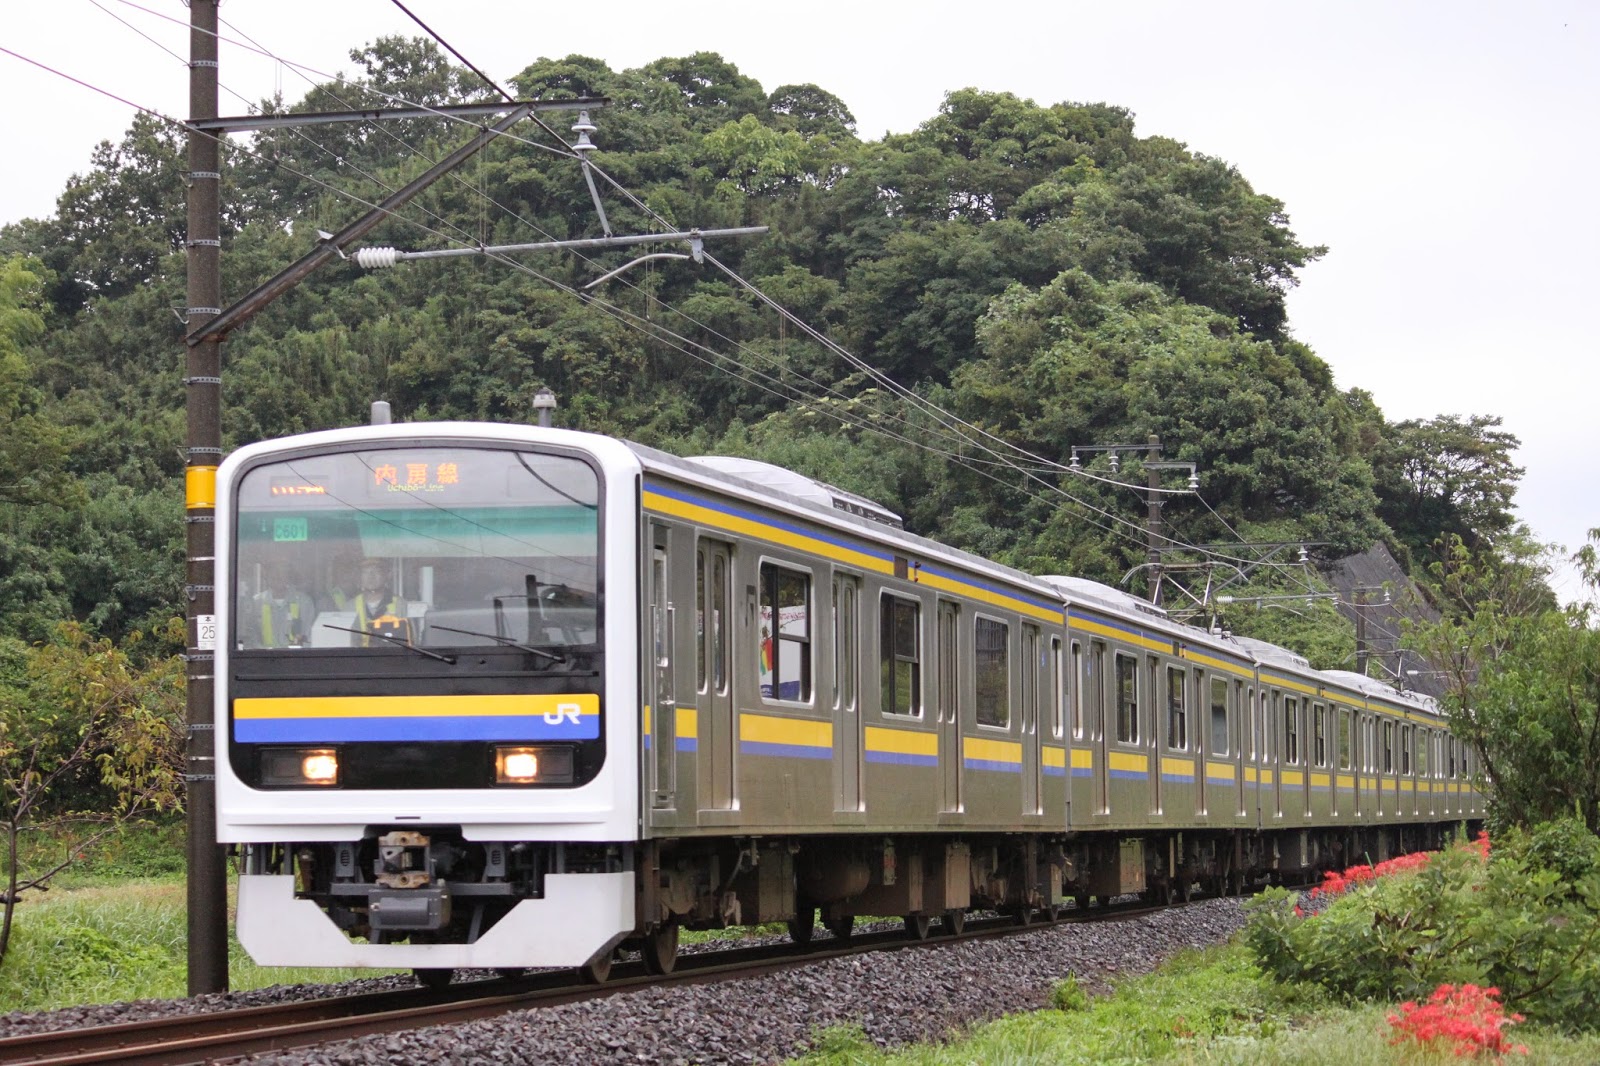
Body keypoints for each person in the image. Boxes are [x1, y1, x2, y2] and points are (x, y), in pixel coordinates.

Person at [250, 560, 317, 649]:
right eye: (274, 571)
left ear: (289, 576)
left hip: (295, 659)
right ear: (267, 575)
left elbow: (308, 638)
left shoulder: (304, 602)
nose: (278, 576)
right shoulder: (257, 602)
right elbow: (252, 639)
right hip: (264, 660)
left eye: (282, 572)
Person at [352, 557, 410, 646]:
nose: (371, 576)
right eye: (365, 572)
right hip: (356, 658)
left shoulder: (401, 605)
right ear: (360, 577)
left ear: (387, 575)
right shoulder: (350, 606)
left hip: (389, 657)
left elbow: (411, 639)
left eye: (376, 571)